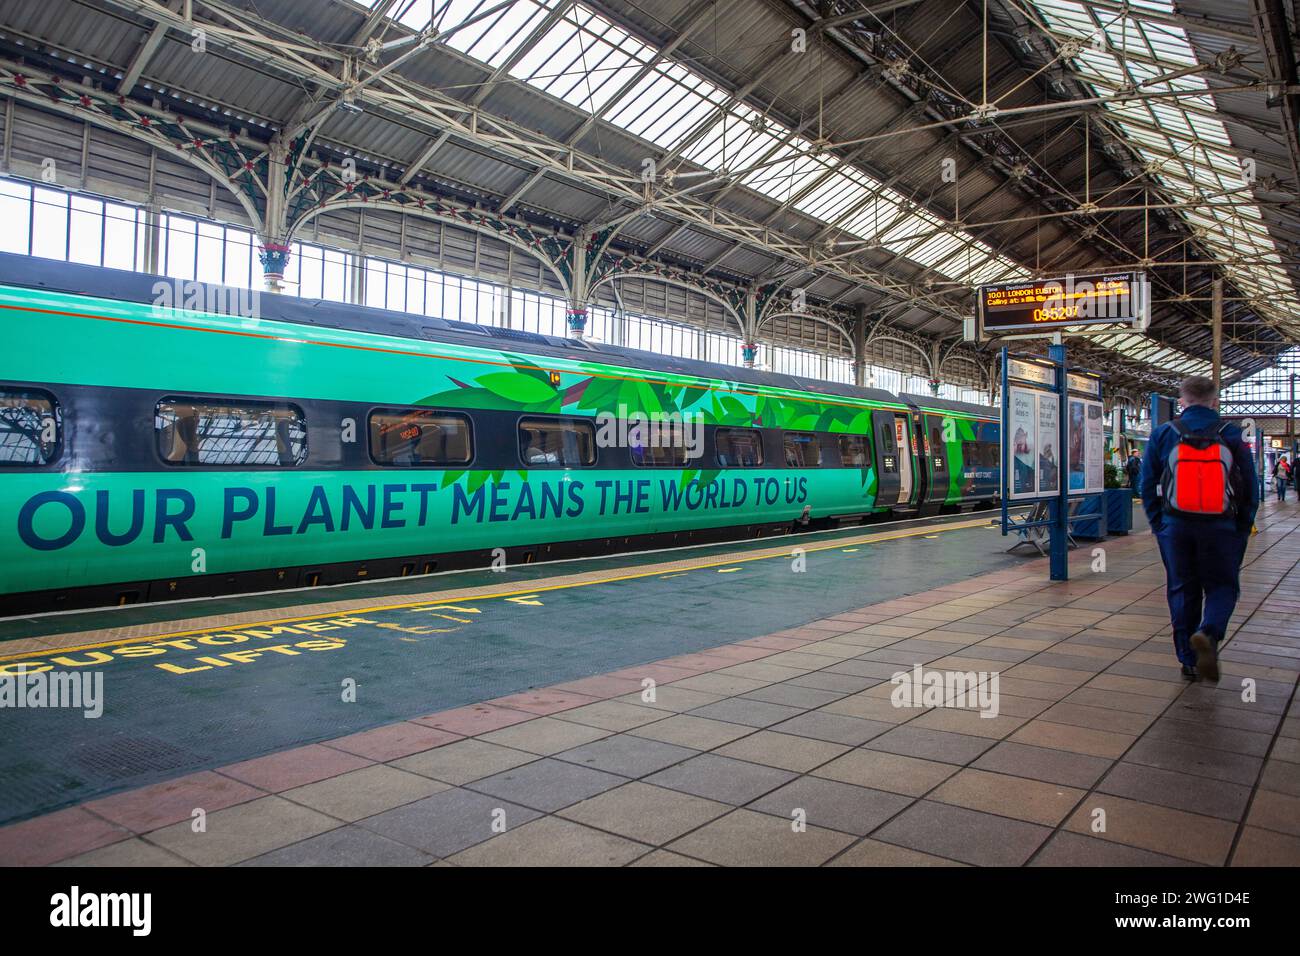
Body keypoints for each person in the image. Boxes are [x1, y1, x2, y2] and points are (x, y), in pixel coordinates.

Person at [1140, 376, 1258, 682]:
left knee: (1182, 589)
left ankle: (1188, 661)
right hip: (1221, 527)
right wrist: (1241, 527)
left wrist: (1159, 525)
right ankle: (1209, 631)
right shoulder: (1230, 435)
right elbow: (1250, 488)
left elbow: (1147, 485)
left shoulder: (1165, 433)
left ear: (1182, 401)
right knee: (1222, 586)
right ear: (1214, 402)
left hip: (1176, 526)